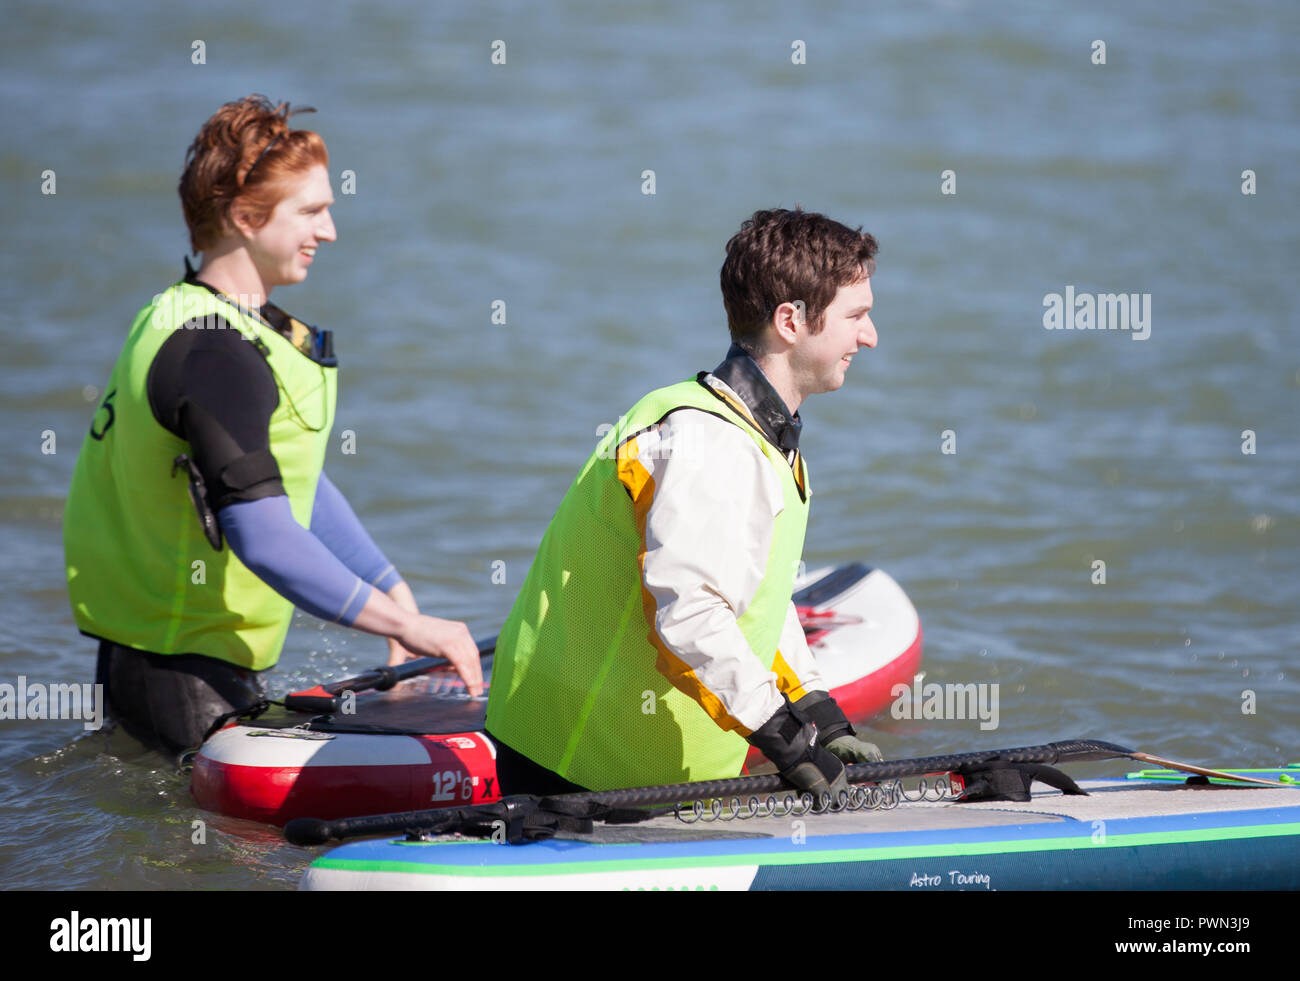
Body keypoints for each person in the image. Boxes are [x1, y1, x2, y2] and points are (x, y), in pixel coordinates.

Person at [64, 95, 482, 757]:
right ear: (243, 216)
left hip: (154, 665)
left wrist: (387, 584)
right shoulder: (214, 353)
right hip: (181, 681)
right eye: (311, 211)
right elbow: (262, 533)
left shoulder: (183, 314)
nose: (331, 230)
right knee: (215, 860)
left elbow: (290, 480)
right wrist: (409, 623)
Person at [485, 207, 885, 798]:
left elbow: (753, 603)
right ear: (791, 321)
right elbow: (691, 611)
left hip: (644, 772)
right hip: (580, 766)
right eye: (857, 316)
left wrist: (816, 711)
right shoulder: (710, 439)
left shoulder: (761, 435)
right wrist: (784, 739)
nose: (870, 336)